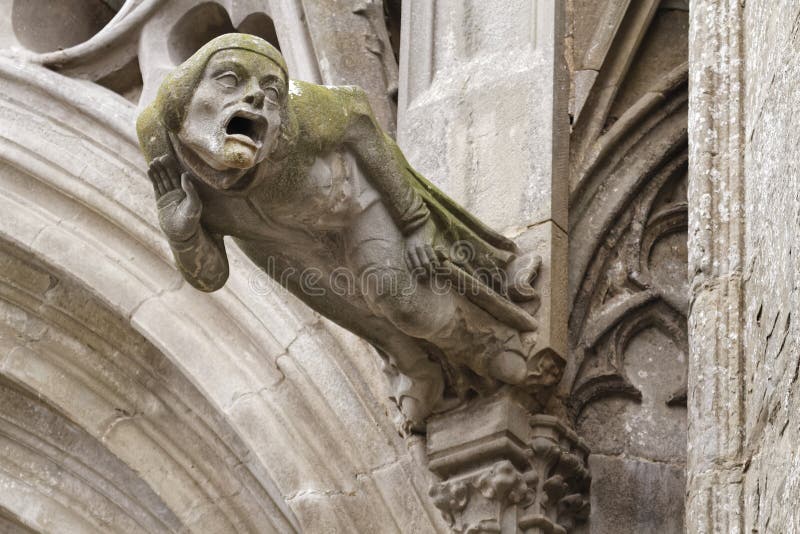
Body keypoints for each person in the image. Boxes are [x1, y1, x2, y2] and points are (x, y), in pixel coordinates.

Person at [136, 33, 559, 431]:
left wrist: (413, 223)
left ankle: (485, 343)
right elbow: (210, 277)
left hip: (347, 201)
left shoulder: (306, 112)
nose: (253, 96)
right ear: (185, 93)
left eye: (270, 91)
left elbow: (358, 117)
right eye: (229, 78)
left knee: (402, 301)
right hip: (269, 238)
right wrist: (183, 234)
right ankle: (418, 369)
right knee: (360, 315)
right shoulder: (160, 135)